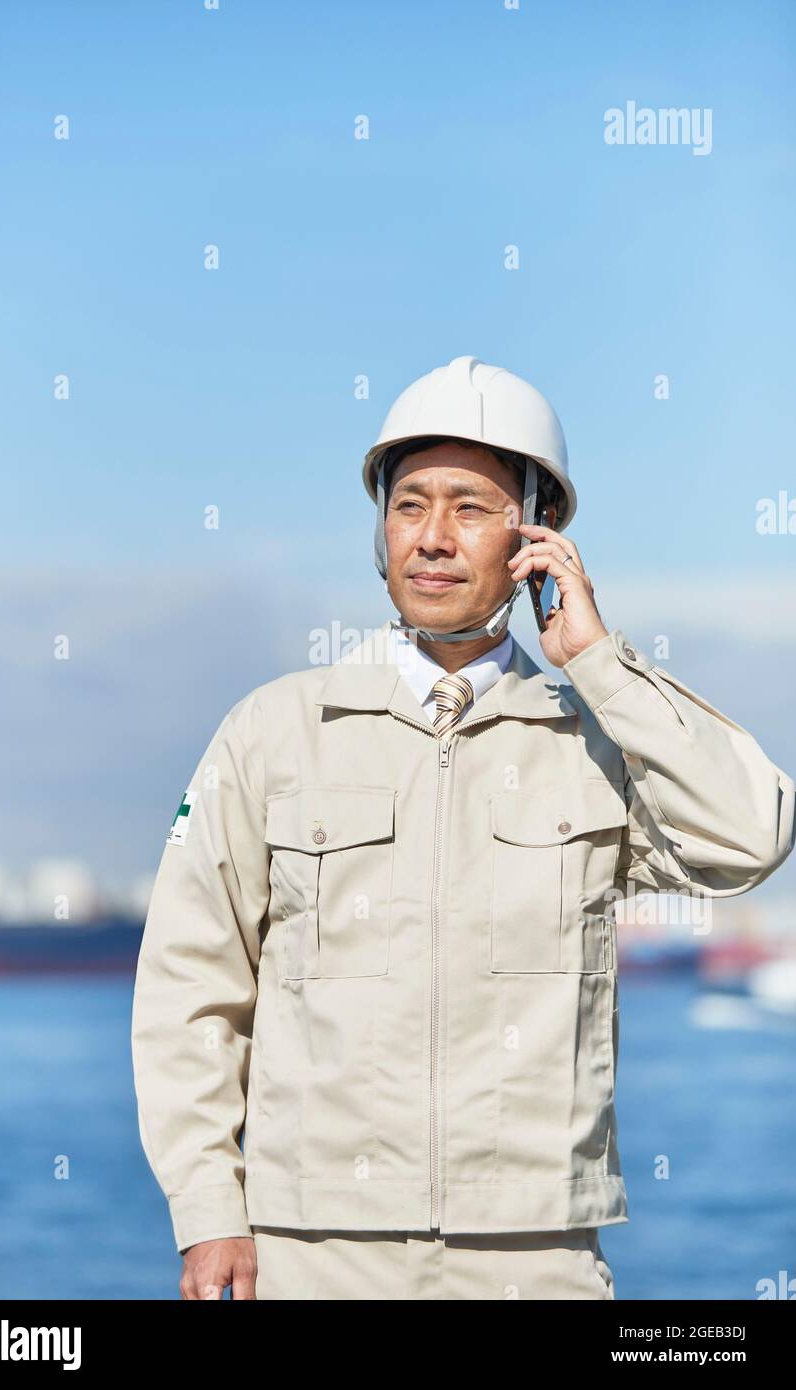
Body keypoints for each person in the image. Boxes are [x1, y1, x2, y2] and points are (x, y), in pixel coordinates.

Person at [131, 354, 795, 1300]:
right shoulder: (273, 732)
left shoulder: (592, 742)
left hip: (536, 1254)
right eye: (409, 505)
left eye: (471, 508)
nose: (433, 539)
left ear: (538, 533)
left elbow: (754, 835)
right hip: (313, 1250)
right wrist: (208, 1213)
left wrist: (599, 663)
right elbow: (188, 989)